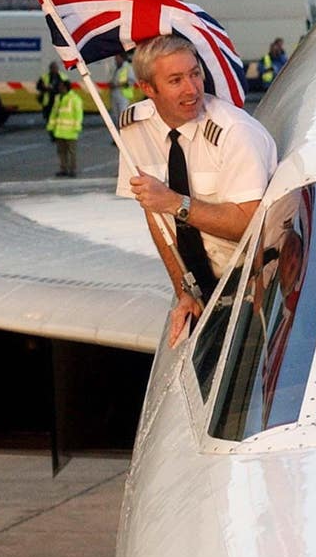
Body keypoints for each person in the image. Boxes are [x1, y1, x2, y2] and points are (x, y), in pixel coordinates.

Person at [117, 34, 278, 346]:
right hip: (200, 283)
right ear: (148, 89)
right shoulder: (135, 130)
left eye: (194, 73)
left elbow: (250, 225)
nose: (192, 89)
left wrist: (177, 203)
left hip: (254, 284)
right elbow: (156, 217)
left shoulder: (235, 133)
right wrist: (184, 292)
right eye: (176, 80)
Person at [47, 81, 83, 177]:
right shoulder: (58, 98)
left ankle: (72, 170)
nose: (59, 88)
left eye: (61, 87)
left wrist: (77, 127)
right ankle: (63, 168)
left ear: (66, 88)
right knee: (61, 152)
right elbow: (54, 113)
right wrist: (50, 127)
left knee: (71, 152)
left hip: (71, 131)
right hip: (60, 131)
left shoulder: (74, 99)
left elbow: (78, 114)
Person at [108, 51, 135, 128]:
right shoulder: (116, 68)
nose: (115, 59)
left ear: (121, 57)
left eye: (117, 57)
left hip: (123, 95)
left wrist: (116, 85)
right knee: (116, 117)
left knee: (123, 116)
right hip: (115, 94)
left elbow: (130, 81)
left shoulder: (128, 67)